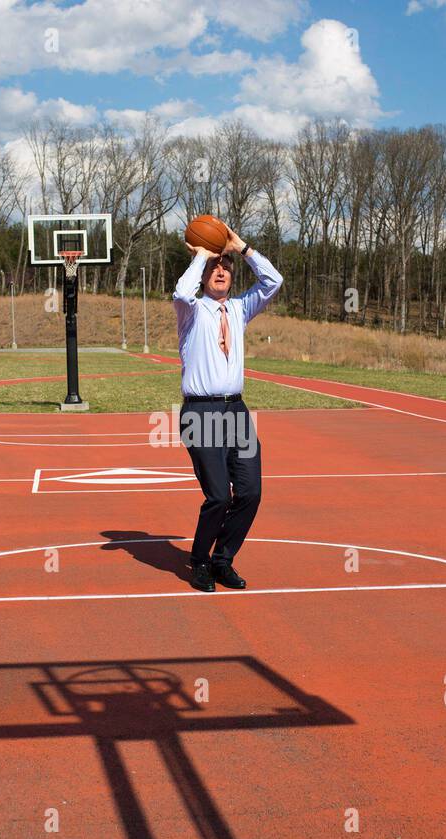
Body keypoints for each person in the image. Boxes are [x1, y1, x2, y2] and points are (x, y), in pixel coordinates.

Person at [172, 223, 283, 592]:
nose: (221, 271)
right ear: (203, 275)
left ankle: (223, 561)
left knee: (250, 492)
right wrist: (203, 254)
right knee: (219, 495)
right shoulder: (191, 311)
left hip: (236, 412)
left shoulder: (239, 309)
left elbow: (273, 282)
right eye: (213, 268)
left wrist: (242, 248)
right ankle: (200, 561)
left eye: (225, 266)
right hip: (200, 413)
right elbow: (180, 292)